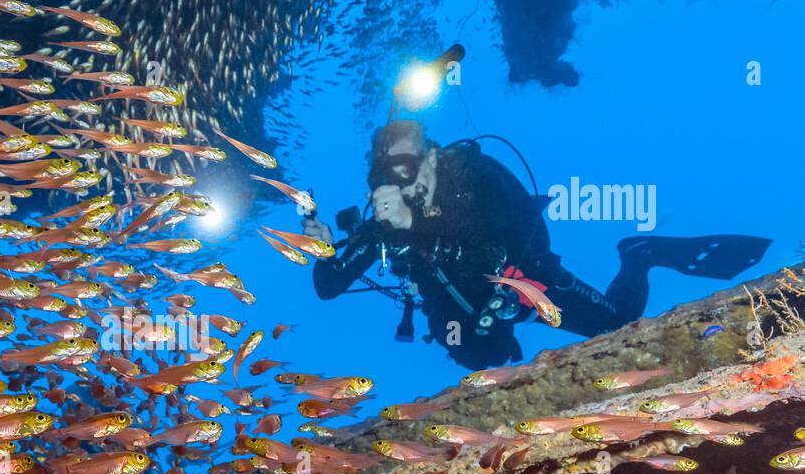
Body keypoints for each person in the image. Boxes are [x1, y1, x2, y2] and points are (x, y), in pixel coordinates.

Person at [303, 120, 771, 370]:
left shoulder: (474, 178)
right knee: (480, 358)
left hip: (529, 282)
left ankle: (638, 257)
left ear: (430, 157)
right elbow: (329, 286)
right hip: (464, 314)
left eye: (408, 165)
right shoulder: (385, 218)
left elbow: (499, 251)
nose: (399, 181)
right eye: (386, 173)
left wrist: (414, 224)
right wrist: (323, 251)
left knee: (620, 327)